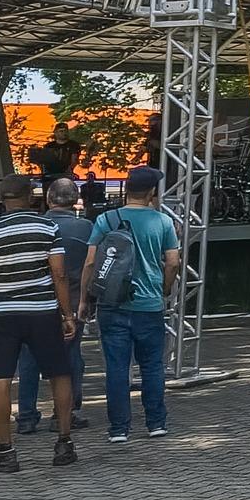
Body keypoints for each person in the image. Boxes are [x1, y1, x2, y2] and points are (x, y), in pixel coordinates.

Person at [0, 175, 80, 471]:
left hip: (2, 316)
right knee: (59, 374)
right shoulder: (48, 227)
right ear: (31, 196)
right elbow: (59, 273)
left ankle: (6, 452)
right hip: (43, 313)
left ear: (3, 199)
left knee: (0, 380)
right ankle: (64, 443)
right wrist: (67, 314)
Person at [79, 166, 182, 445]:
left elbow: (91, 262)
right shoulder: (162, 222)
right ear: (152, 192)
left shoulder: (106, 219)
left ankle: (119, 429)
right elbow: (173, 261)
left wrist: (85, 300)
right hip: (149, 305)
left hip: (112, 304)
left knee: (116, 367)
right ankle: (156, 423)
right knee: (151, 366)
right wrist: (165, 287)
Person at [15, 177, 91, 436]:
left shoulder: (35, 226)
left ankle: (26, 416)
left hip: (33, 302)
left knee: (28, 361)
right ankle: (64, 414)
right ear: (75, 199)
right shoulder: (87, 228)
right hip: (72, 301)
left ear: (48, 198)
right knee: (71, 359)